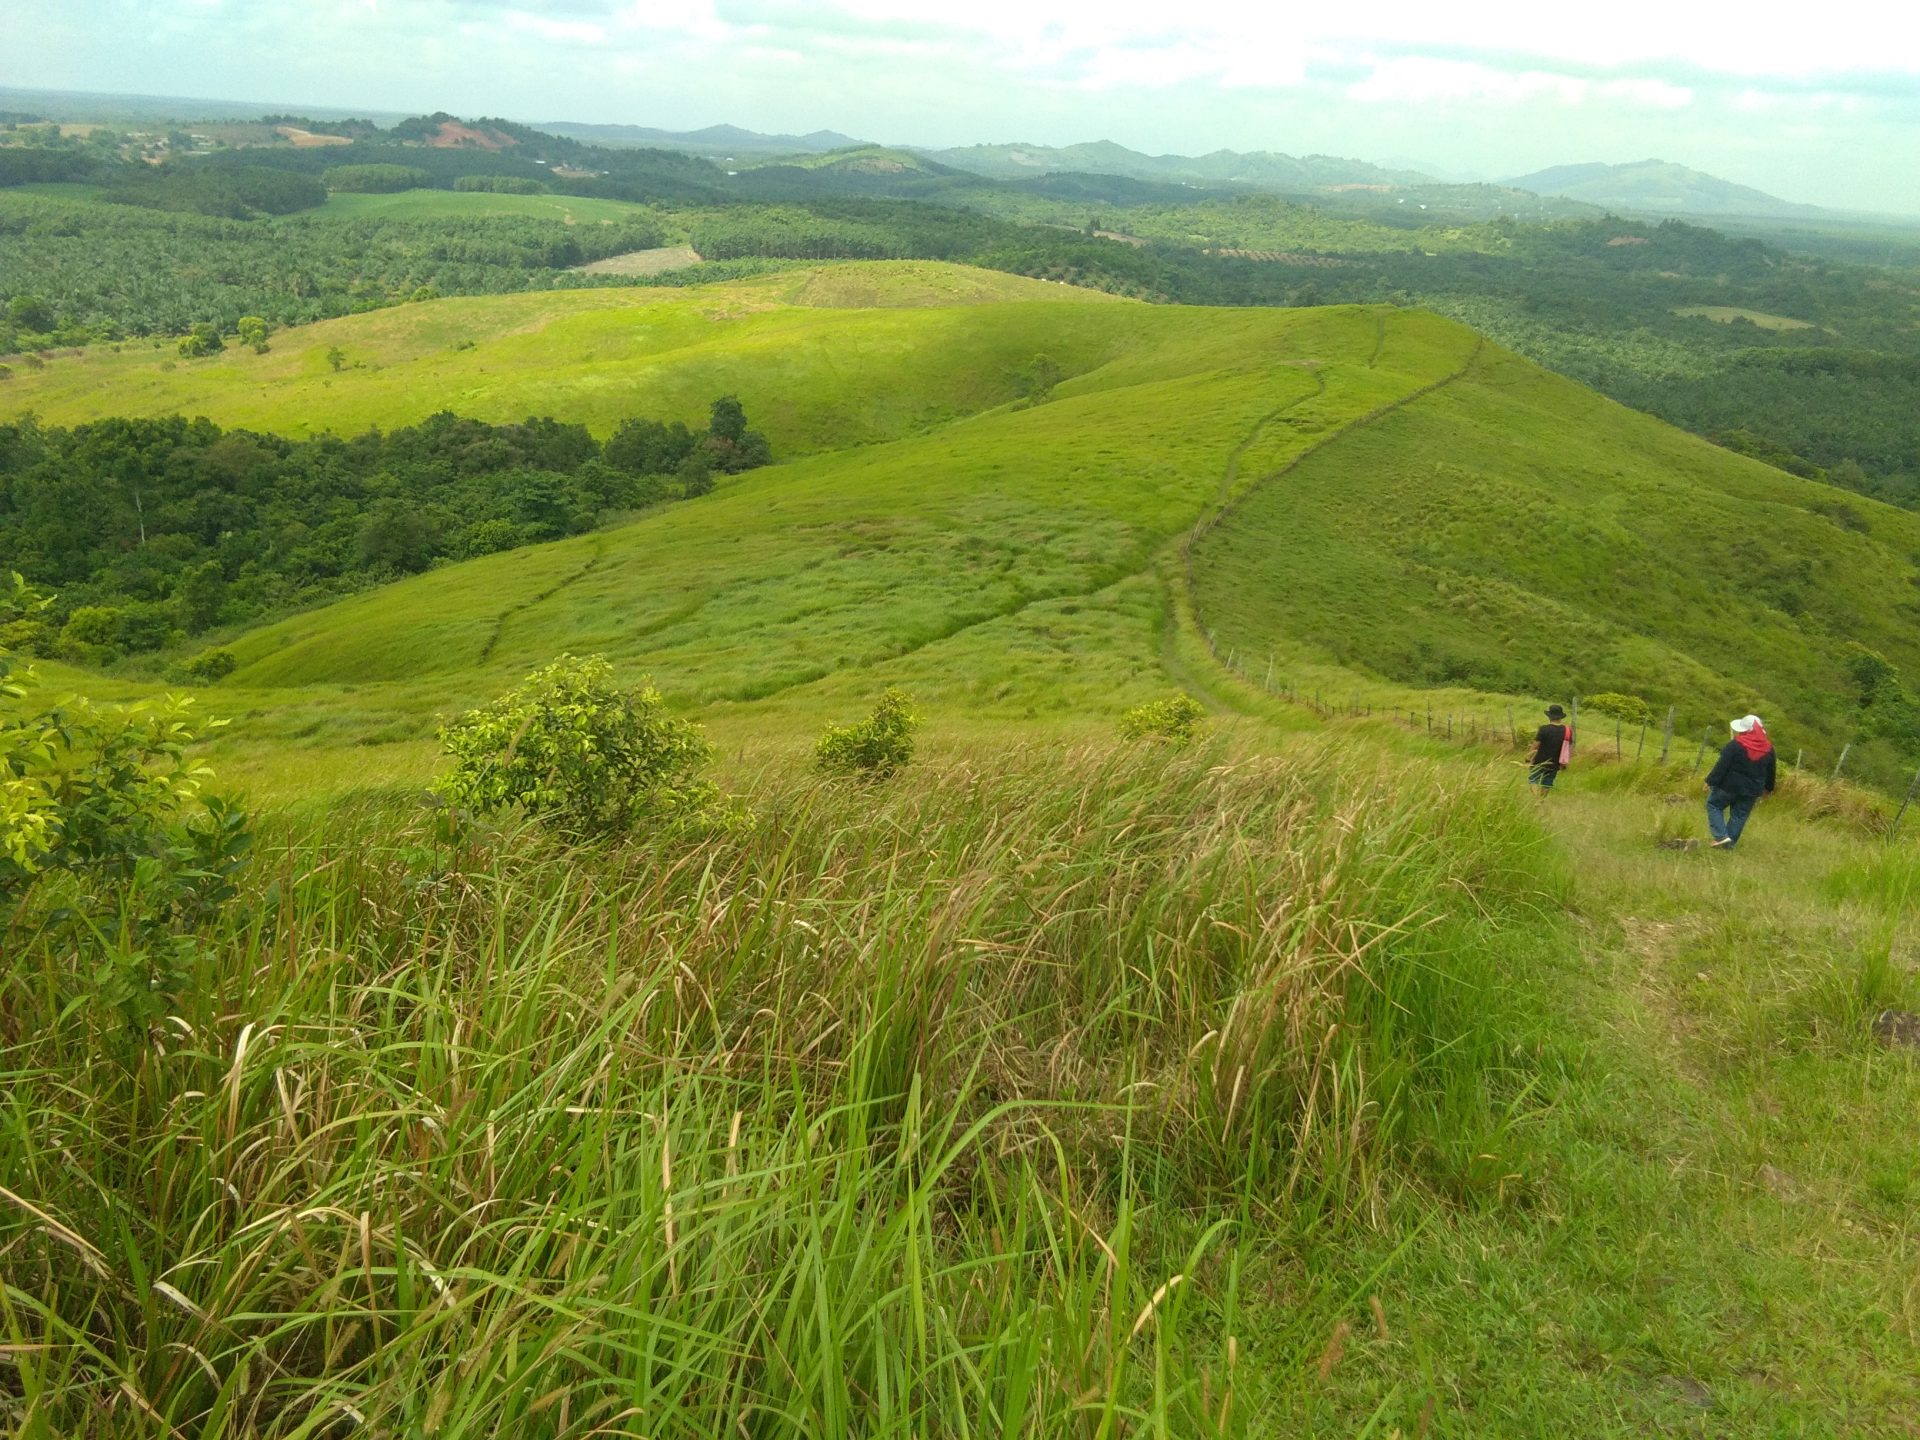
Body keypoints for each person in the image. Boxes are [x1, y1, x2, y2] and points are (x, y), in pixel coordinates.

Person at [1704, 713, 1777, 848]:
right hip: (1752, 790)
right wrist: (1768, 788)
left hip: (1728, 786)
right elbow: (1771, 771)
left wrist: (1711, 781)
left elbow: (1722, 764)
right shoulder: (1769, 749)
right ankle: (1728, 845)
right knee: (1739, 815)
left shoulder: (1736, 744)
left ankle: (1721, 836)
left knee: (1714, 805)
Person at [1529, 704, 1572, 792]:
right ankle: (1540, 801)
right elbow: (1568, 749)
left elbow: (1535, 745)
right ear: (1561, 717)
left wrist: (1528, 757)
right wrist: (1564, 763)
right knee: (1547, 783)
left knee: (1533, 779)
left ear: (1549, 716)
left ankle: (1534, 799)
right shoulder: (1567, 730)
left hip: (1539, 760)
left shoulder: (1543, 729)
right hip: (1554, 762)